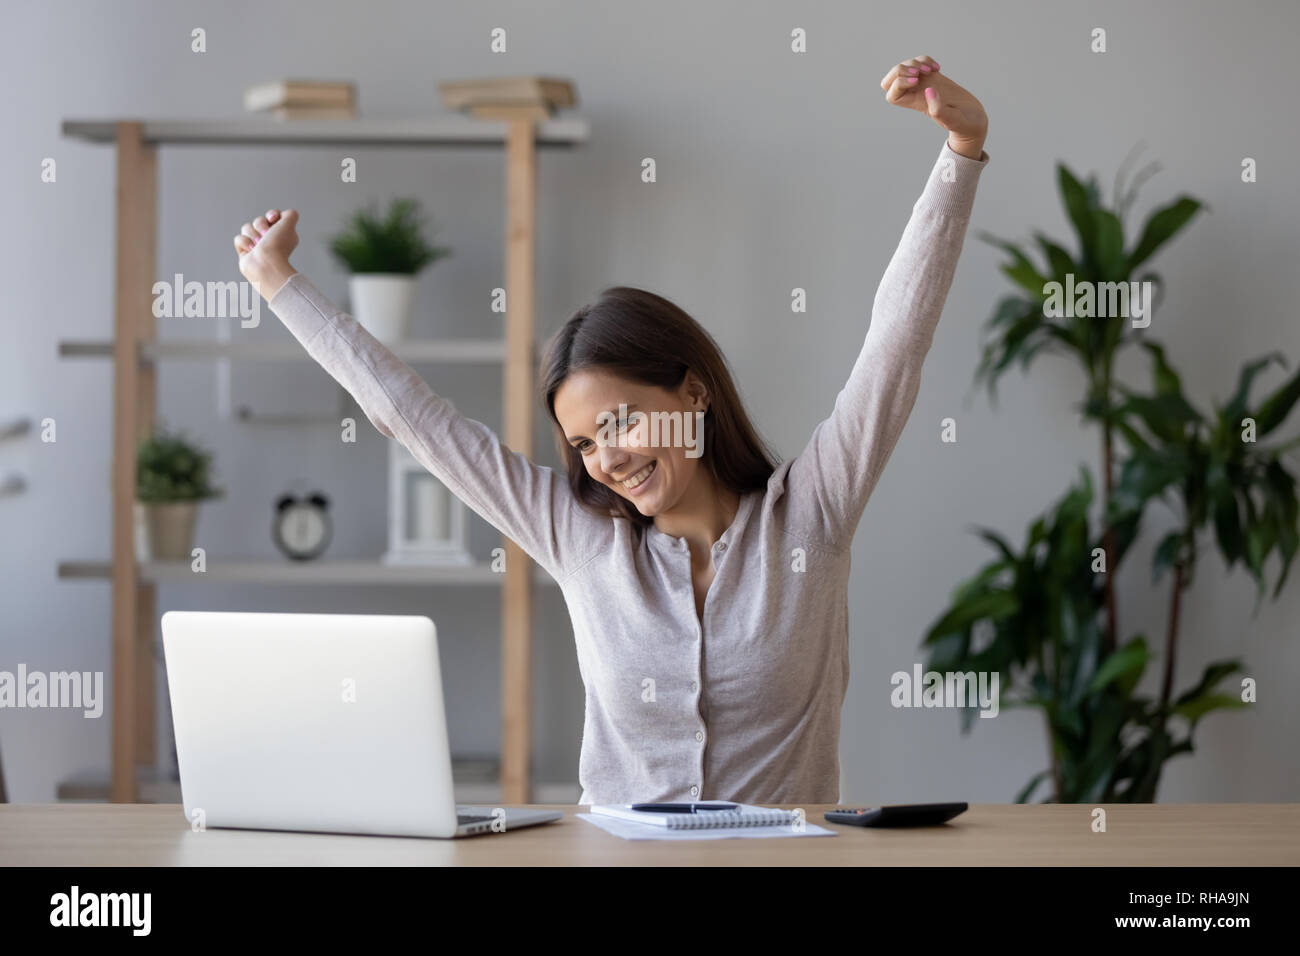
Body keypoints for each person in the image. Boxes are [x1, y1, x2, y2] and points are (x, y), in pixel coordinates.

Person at [233, 56, 989, 806]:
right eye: (586, 443)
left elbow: (896, 343)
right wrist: (279, 285)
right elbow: (413, 417)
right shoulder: (576, 531)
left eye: (621, 423)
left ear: (693, 393)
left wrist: (960, 152)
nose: (608, 460)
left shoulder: (812, 514)